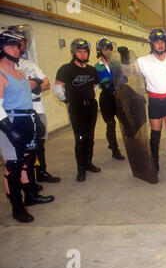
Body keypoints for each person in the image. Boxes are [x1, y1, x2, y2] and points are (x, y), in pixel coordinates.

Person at [0, 30, 54, 223]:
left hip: (27, 119)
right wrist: (10, 131)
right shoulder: (0, 73)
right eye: (11, 45)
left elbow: (30, 91)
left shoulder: (19, 71)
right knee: (13, 166)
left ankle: (30, 196)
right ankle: (17, 207)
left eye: (18, 45)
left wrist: (35, 119)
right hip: (10, 123)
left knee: (28, 161)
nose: (17, 49)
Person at [8, 25, 60, 183]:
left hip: (38, 108)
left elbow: (47, 84)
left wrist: (30, 86)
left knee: (39, 143)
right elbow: (15, 91)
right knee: (24, 149)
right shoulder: (9, 67)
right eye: (17, 42)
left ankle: (41, 172)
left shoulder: (29, 64)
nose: (21, 45)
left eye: (22, 42)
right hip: (19, 112)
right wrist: (32, 85)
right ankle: (27, 182)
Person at [136, 28, 166, 175]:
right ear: (151, 44)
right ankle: (154, 165)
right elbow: (130, 75)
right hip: (155, 102)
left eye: (162, 42)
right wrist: (124, 61)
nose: (160, 45)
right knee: (155, 135)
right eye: (156, 42)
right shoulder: (143, 62)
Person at [54, 38, 101, 182]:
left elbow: (95, 87)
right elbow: (57, 89)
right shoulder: (66, 69)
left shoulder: (92, 70)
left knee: (90, 137)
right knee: (80, 138)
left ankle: (88, 163)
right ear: (73, 53)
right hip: (76, 108)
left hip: (91, 107)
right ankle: (81, 170)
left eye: (85, 52)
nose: (82, 55)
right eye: (79, 52)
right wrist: (68, 101)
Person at [94, 37, 125, 161]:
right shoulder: (96, 67)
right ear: (99, 51)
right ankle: (114, 149)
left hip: (119, 95)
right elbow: (102, 83)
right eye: (105, 49)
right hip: (106, 97)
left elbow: (124, 78)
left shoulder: (116, 63)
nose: (107, 51)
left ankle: (130, 144)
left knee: (125, 121)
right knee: (110, 124)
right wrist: (114, 81)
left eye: (109, 49)